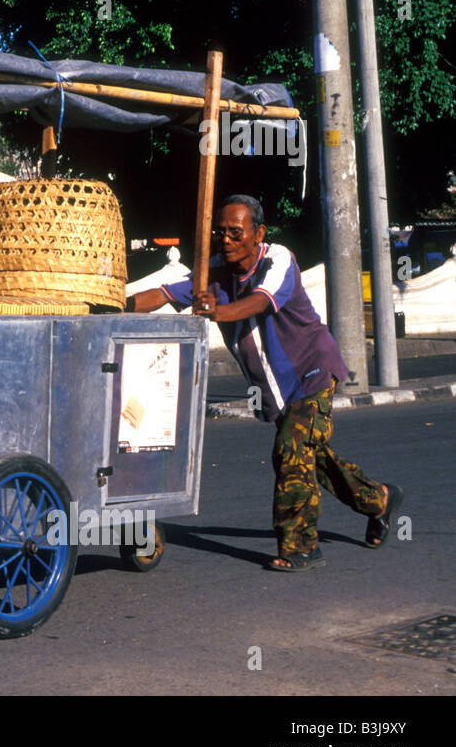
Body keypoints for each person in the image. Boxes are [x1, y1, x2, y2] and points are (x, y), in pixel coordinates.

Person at [125, 195, 404, 572]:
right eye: (220, 232)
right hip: (275, 389)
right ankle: (380, 500)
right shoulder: (216, 271)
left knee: (290, 450)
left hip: (313, 372)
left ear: (258, 233)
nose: (226, 240)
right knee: (311, 459)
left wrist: (216, 311)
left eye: (235, 232)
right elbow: (162, 293)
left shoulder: (279, 260)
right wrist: (109, 306)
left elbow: (261, 302)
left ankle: (301, 547)